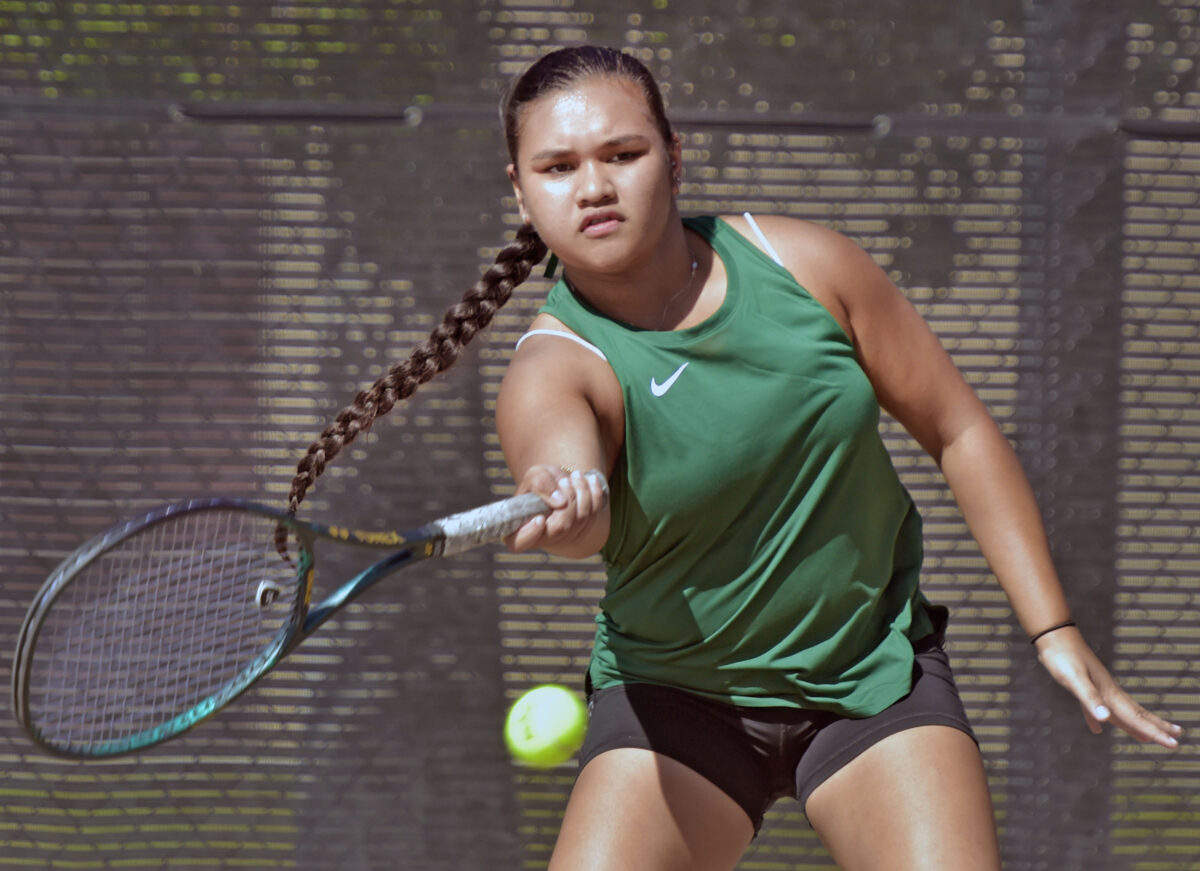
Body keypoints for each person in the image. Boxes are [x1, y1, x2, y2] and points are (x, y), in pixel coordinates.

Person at [285, 46, 1182, 870]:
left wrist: (1053, 628)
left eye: (621, 154)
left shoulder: (807, 265)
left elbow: (960, 430)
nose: (592, 185)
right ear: (521, 192)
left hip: (870, 678)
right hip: (676, 706)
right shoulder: (553, 367)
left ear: (675, 154)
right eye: (558, 168)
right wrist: (567, 504)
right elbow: (562, 482)